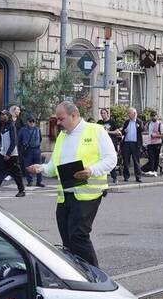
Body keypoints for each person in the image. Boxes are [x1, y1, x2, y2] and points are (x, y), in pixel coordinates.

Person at [27, 101, 117, 266]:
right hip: (65, 195)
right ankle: (76, 273)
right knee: (67, 240)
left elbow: (111, 159)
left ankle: (94, 275)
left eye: (61, 119)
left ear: (74, 115)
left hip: (88, 194)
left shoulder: (96, 130)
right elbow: (54, 166)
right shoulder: (62, 136)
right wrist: (41, 168)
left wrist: (91, 170)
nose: (58, 122)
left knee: (78, 235)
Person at [0, 108, 25, 197]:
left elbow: (14, 141)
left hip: (12, 155)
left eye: (3, 115)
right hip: (3, 153)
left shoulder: (12, 126)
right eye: (1, 114)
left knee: (16, 173)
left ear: (8, 116)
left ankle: (21, 190)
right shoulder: (3, 126)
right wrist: (4, 152)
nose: (1, 116)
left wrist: (8, 153)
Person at [119, 107, 144, 183]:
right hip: (126, 143)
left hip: (135, 144)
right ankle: (126, 176)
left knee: (136, 161)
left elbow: (142, 129)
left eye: (129, 113)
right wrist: (124, 131)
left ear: (134, 113)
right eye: (128, 113)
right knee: (126, 161)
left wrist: (138, 126)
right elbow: (123, 132)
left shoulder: (139, 121)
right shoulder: (127, 122)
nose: (128, 114)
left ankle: (138, 177)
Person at [20, 116, 45, 187]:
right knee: (28, 166)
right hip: (28, 150)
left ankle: (39, 181)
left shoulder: (37, 129)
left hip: (36, 150)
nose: (32, 123)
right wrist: (22, 149)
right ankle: (30, 181)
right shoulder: (23, 130)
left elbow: (40, 139)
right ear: (27, 122)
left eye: (33, 121)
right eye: (30, 121)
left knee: (39, 166)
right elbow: (19, 140)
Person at [101, 107, 122, 184]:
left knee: (111, 160)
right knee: (102, 161)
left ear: (107, 114)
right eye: (102, 113)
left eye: (104, 113)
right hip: (102, 144)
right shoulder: (99, 122)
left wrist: (108, 132)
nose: (103, 114)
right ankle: (102, 178)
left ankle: (115, 177)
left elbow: (117, 132)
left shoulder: (112, 122)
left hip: (111, 144)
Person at [143, 112, 163, 176]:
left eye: (154, 116)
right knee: (151, 157)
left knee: (156, 157)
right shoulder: (149, 123)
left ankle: (155, 171)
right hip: (149, 143)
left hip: (157, 143)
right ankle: (151, 170)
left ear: (157, 116)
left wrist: (155, 136)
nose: (153, 117)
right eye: (152, 116)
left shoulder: (160, 124)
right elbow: (144, 129)